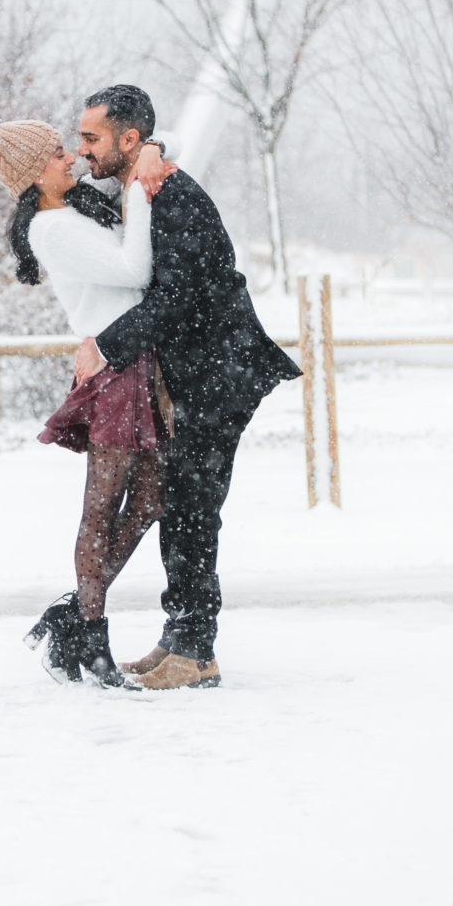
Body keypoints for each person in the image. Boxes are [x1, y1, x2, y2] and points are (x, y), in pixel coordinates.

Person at [73, 84, 302, 690]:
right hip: (196, 375)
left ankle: (196, 651)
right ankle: (179, 638)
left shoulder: (170, 193)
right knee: (181, 507)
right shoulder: (135, 182)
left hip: (221, 373)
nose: (81, 150)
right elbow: (75, 202)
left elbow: (177, 297)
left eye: (91, 138)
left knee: (193, 513)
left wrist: (104, 345)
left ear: (127, 139)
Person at [0, 116, 174, 687]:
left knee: (148, 498)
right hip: (113, 371)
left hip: (136, 359)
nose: (69, 158)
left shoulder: (72, 214)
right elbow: (134, 270)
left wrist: (154, 152)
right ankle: (92, 637)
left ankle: (77, 614)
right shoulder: (52, 229)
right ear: (30, 171)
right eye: (55, 153)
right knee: (103, 504)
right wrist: (141, 192)